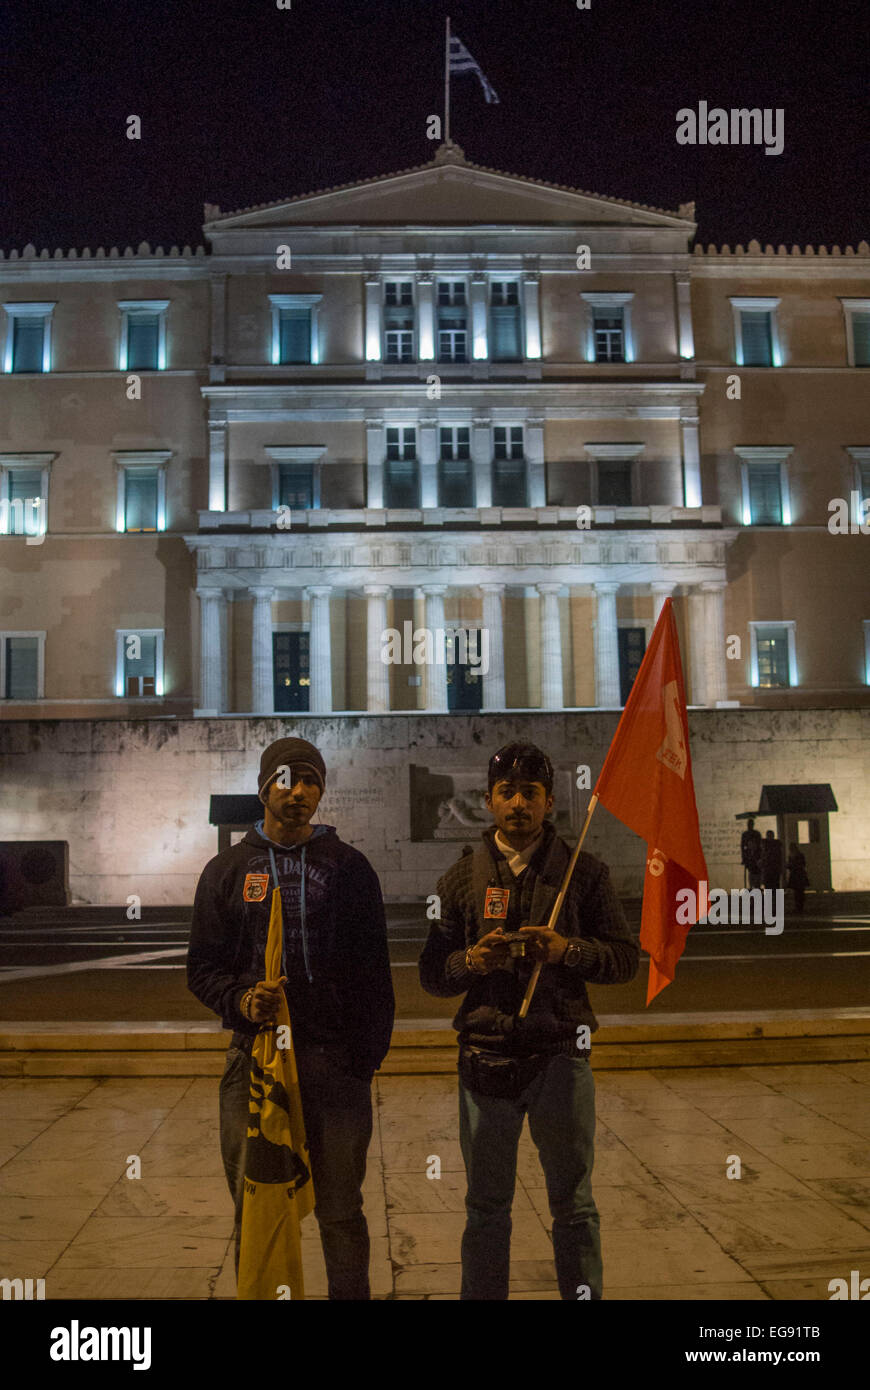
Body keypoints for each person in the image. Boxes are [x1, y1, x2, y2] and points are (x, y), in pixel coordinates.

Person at [418, 741, 639, 1301]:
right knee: (486, 1207)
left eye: (530, 793)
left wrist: (568, 952)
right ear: (489, 801)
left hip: (560, 1055)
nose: (518, 803)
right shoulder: (460, 879)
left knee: (574, 1204)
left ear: (549, 803)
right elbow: (432, 975)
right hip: (485, 1058)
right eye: (506, 792)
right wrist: (472, 961)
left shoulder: (583, 874)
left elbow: (623, 960)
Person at [187, 736, 395, 1300]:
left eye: (311, 782)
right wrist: (240, 1000)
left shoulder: (349, 868)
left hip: (333, 1065)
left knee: (340, 1209)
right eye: (286, 779)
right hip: (254, 1060)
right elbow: (202, 968)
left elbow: (375, 976)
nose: (299, 792)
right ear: (263, 787)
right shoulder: (226, 870)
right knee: (256, 1205)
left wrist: (361, 1062)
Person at [786, 843, 810, 913]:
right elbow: (803, 864)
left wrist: (790, 865)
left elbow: (800, 864)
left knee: (798, 892)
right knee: (799, 892)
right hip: (799, 874)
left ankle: (799, 907)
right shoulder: (797, 855)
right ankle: (799, 907)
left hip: (796, 875)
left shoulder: (792, 856)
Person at [740, 818, 763, 890]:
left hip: (756, 856)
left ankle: (757, 886)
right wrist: (744, 857)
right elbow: (742, 846)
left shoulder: (757, 833)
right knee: (751, 871)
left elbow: (760, 845)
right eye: (749, 824)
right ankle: (752, 886)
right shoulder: (745, 834)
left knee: (757, 872)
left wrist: (760, 857)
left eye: (751, 824)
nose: (750, 825)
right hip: (749, 856)